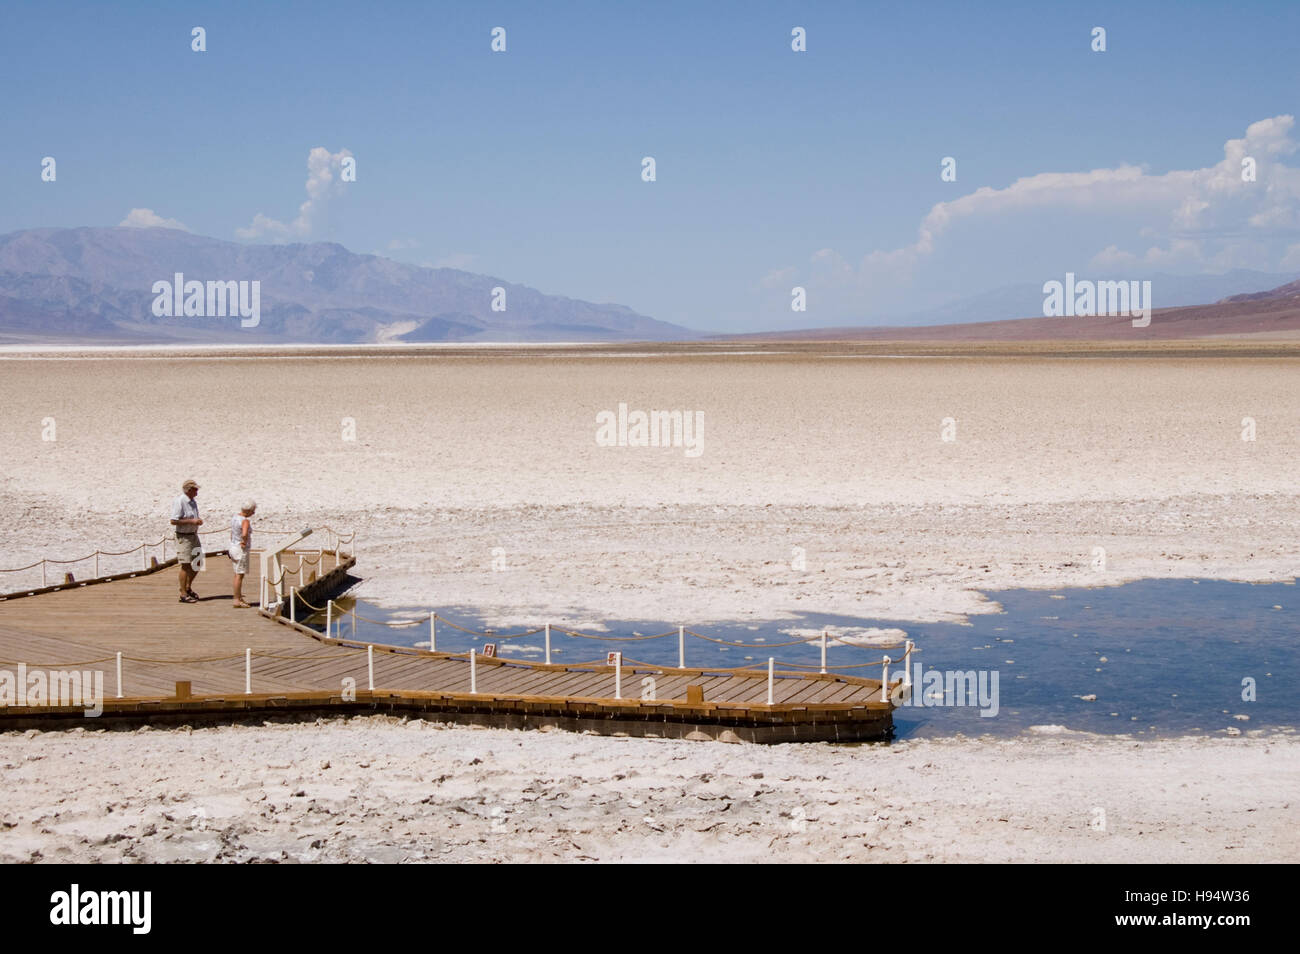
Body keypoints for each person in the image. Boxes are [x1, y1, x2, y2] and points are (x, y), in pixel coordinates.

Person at [170, 479, 203, 603]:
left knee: (198, 562)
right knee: (186, 565)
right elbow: (173, 520)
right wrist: (191, 521)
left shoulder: (193, 502)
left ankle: (187, 587)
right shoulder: (180, 501)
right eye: (195, 489)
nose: (197, 491)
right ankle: (183, 593)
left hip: (193, 535)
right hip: (183, 537)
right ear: (189, 490)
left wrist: (197, 521)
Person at [229, 500, 256, 608]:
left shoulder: (235, 518)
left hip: (233, 546)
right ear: (249, 511)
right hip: (241, 549)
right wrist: (244, 541)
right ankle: (237, 599)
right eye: (252, 511)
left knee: (236, 573)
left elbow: (232, 533)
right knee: (240, 575)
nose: (253, 513)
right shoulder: (245, 521)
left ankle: (238, 597)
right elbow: (244, 533)